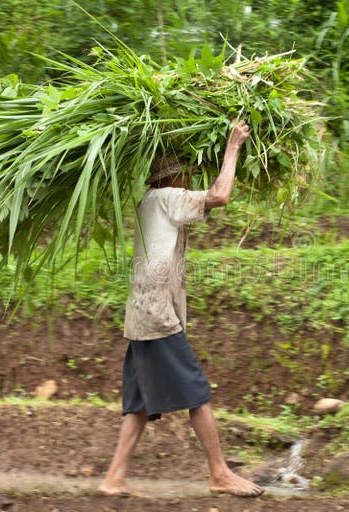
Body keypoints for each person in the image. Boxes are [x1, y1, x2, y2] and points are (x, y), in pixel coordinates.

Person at [99, 120, 264, 498]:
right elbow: (220, 196)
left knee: (139, 403)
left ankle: (114, 477)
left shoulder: (149, 201)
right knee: (197, 392)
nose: (191, 178)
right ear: (175, 175)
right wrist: (233, 147)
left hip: (142, 313)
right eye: (187, 171)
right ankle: (219, 473)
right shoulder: (168, 198)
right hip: (156, 316)